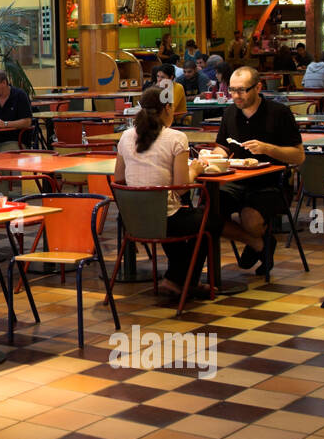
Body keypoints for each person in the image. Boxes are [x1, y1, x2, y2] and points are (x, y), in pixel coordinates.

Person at [114, 87, 214, 301]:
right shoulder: (176, 138)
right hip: (164, 219)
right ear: (167, 108)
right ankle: (187, 282)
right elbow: (181, 187)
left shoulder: (125, 136)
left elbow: (119, 179)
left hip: (131, 220)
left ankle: (174, 278)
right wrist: (195, 170)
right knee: (211, 221)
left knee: (178, 218)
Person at [213, 67, 305, 275]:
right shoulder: (230, 113)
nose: (236, 96)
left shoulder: (278, 113)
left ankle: (258, 239)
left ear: (258, 87)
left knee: (250, 218)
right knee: (208, 212)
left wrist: (267, 148)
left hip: (272, 183)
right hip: (235, 180)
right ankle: (258, 243)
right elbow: (223, 146)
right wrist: (216, 156)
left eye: (242, 90)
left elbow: (299, 156)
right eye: (232, 90)